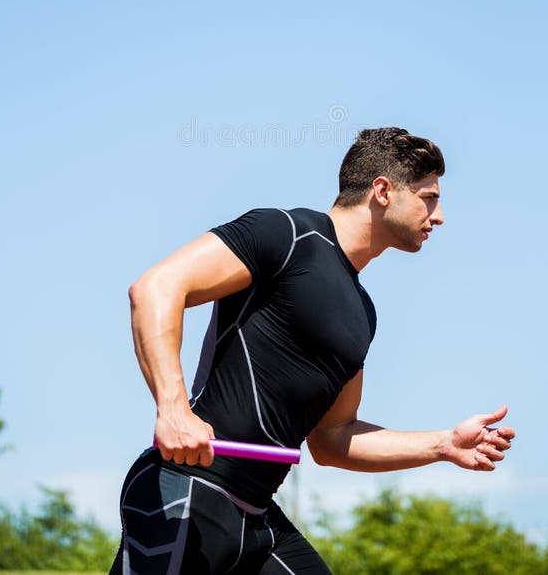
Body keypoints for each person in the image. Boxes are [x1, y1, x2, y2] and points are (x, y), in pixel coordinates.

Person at [110, 127, 515, 574]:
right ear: (383, 191)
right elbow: (156, 288)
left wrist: (443, 444)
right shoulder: (285, 234)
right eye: (429, 197)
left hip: (258, 518)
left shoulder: (363, 313)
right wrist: (172, 408)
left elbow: (333, 439)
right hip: (188, 489)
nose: (438, 216)